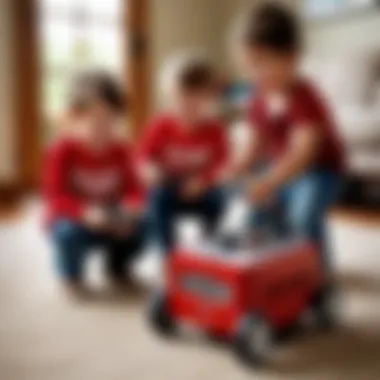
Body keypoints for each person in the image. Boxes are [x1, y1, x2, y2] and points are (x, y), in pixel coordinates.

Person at [228, 2, 344, 270]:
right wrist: (236, 166)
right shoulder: (258, 97)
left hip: (319, 170)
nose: (254, 75)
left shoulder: (305, 97)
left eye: (261, 63)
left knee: (302, 216)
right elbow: (253, 146)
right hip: (281, 167)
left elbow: (303, 154)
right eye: (248, 66)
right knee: (254, 214)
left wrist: (269, 181)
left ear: (292, 56)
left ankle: (314, 278)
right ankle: (270, 267)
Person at [43, 70, 146, 296]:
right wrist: (85, 213)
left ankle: (118, 267)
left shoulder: (122, 150)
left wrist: (132, 205)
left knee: (146, 225)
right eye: (94, 122)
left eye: (111, 121)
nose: (103, 130)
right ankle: (72, 275)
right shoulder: (61, 151)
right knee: (66, 234)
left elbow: (135, 188)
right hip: (76, 217)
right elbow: (55, 197)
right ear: (72, 118)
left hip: (113, 217)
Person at [138, 54, 229, 256]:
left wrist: (204, 180)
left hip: (202, 188)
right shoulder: (160, 125)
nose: (189, 108)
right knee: (156, 199)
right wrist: (150, 170)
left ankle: (211, 246)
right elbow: (144, 158)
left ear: (211, 100)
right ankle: (167, 254)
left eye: (198, 101)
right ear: (170, 96)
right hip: (169, 187)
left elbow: (223, 165)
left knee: (222, 198)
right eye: (182, 99)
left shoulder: (215, 129)